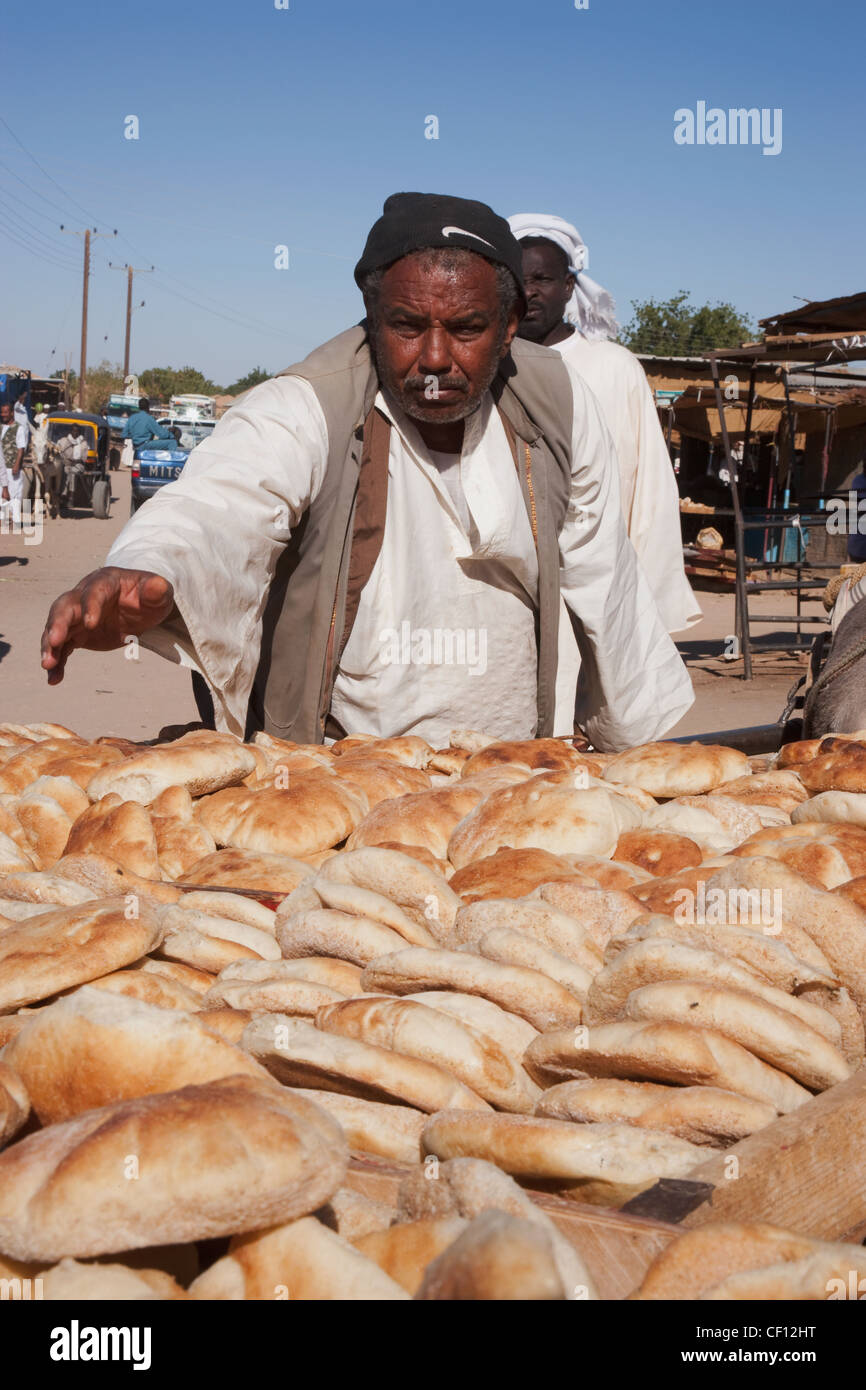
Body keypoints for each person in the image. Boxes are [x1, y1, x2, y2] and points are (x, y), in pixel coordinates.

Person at [42, 192, 694, 751]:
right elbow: (221, 501)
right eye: (408, 325)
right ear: (372, 312)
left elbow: (605, 575)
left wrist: (630, 755)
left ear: (511, 323)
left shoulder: (560, 404)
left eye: (466, 328)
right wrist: (150, 566)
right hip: (341, 771)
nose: (434, 357)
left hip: (507, 769)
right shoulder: (309, 403)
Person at [508, 213, 701, 732]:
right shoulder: (489, 368)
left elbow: (650, 492)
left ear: (569, 285)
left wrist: (645, 601)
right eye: (517, 278)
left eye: (542, 279)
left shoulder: (614, 368)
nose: (529, 292)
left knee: (596, 732)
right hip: (511, 587)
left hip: (597, 581)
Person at [0, 401, 28, 524]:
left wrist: (17, 464)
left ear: (12, 413)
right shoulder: (1, 427)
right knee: (2, 494)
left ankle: (16, 521)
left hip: (12, 468)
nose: (3, 415)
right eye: (2, 412)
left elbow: (21, 449)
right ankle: (4, 520)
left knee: (14, 494)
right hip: (2, 467)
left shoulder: (19, 428)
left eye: (6, 412)